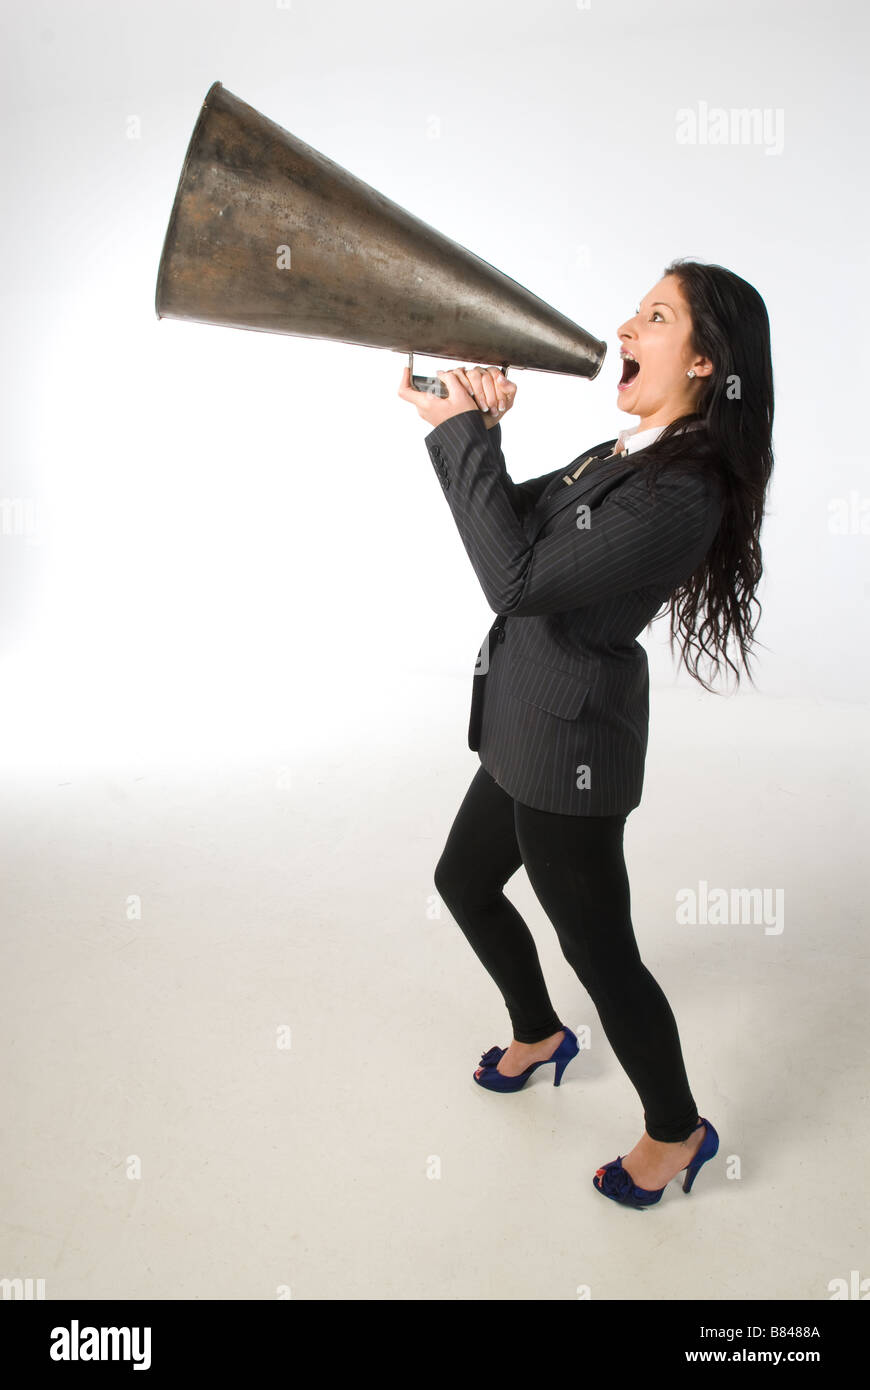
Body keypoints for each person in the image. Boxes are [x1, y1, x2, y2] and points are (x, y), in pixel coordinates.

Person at [397, 258, 775, 1208]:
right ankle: (542, 1035)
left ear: (705, 361)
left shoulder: (683, 491)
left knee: (602, 953)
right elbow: (516, 524)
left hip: (569, 749)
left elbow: (514, 581)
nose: (625, 328)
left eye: (655, 317)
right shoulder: (628, 453)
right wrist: (473, 426)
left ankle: (678, 1130)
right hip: (524, 722)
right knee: (462, 881)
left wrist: (461, 440)